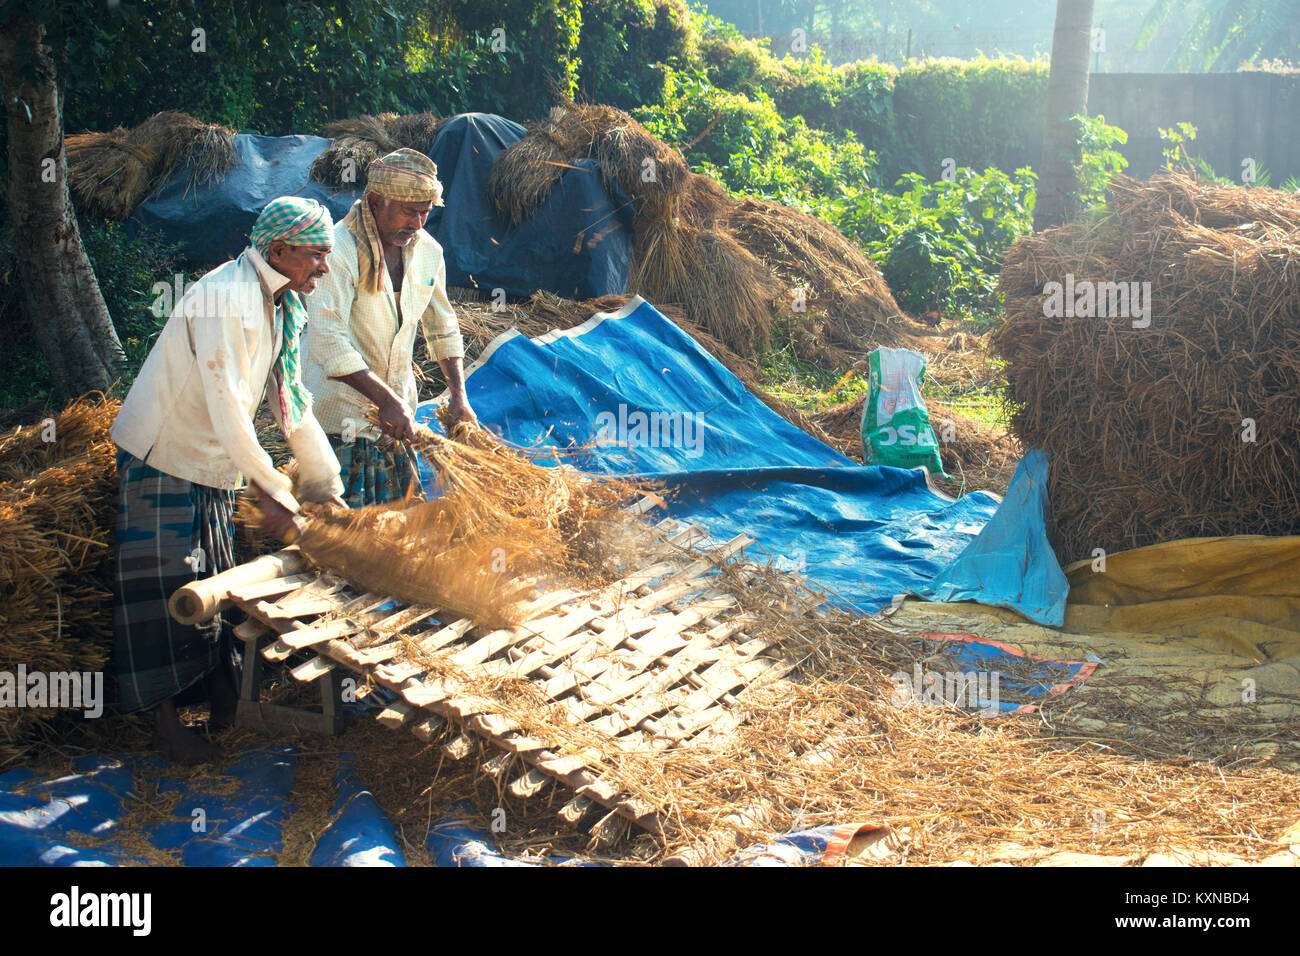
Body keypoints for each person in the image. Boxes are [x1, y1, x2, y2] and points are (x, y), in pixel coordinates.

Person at [110, 196, 345, 765]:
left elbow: (290, 399)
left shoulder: (281, 301)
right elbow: (229, 409)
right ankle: (162, 726)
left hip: (212, 463)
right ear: (279, 249)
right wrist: (275, 491)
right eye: (316, 255)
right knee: (164, 590)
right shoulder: (226, 298)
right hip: (164, 455)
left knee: (216, 580)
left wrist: (323, 484)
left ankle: (220, 701)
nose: (325, 268)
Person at [302, 147, 476, 507]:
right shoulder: (339, 250)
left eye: (424, 213)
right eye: (408, 211)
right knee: (342, 537)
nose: (415, 223)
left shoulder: (428, 251)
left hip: (396, 420)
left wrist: (458, 395)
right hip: (342, 419)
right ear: (376, 201)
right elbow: (326, 337)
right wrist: (385, 399)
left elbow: (441, 324)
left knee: (398, 534)